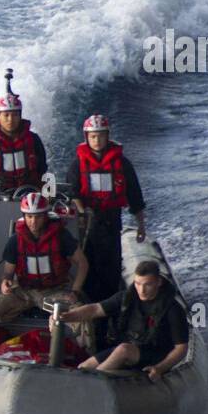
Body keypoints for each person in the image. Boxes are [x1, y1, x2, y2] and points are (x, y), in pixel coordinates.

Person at [0, 192, 91, 352]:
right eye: (29, 217)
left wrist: (75, 291)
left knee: (82, 317)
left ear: (45, 216)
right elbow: (7, 274)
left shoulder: (61, 237)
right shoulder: (15, 240)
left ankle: (87, 358)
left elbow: (82, 263)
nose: (33, 221)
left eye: (38, 217)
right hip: (23, 291)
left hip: (55, 291)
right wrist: (5, 283)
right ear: (24, 216)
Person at [58, 260, 190, 382]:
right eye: (138, 284)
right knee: (84, 367)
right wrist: (67, 316)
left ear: (158, 282)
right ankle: (88, 381)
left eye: (147, 285)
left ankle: (93, 382)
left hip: (156, 354)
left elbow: (181, 348)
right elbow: (94, 309)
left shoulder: (172, 309)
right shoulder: (126, 297)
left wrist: (160, 368)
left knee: (123, 349)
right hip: (130, 348)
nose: (141, 290)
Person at [65, 113, 147, 303]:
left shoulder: (122, 164)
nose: (97, 140)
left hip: (111, 223)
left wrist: (141, 225)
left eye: (101, 135)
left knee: (110, 269)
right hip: (86, 225)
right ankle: (86, 304)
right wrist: (82, 212)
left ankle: (110, 307)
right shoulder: (77, 165)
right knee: (88, 267)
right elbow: (73, 192)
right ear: (87, 137)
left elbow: (135, 196)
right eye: (93, 136)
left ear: (107, 135)